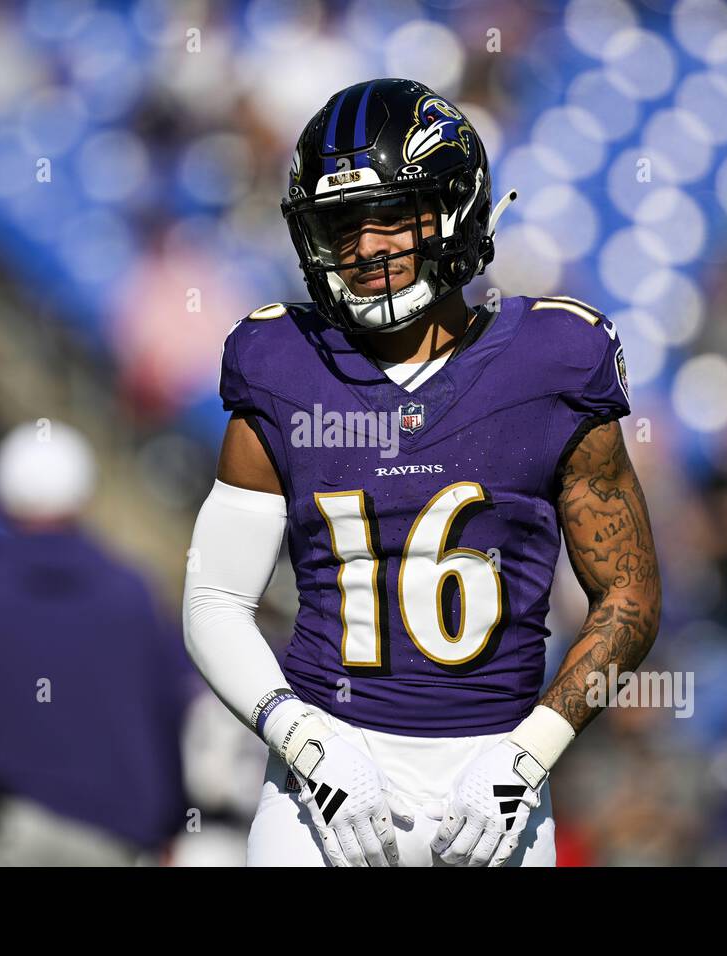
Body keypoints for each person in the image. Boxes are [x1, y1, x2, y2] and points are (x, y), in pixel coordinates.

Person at [182, 78, 661, 867]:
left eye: (388, 219)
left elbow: (630, 593)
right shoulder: (282, 364)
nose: (365, 247)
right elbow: (214, 597)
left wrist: (530, 754)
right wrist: (301, 737)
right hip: (322, 787)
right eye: (341, 226)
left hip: (492, 783)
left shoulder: (553, 362)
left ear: (453, 208)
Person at [0, 420, 189, 865]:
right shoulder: (131, 591)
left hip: (8, 831)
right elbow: (168, 712)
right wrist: (172, 821)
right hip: (113, 834)